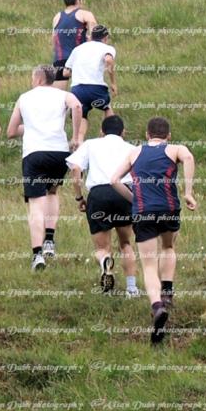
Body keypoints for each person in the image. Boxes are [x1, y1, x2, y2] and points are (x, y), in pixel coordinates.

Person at [108, 115, 198, 345]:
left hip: (143, 212)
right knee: (168, 247)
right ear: (168, 135)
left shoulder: (135, 152)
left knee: (148, 264)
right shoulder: (175, 149)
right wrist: (188, 192)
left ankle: (157, 305)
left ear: (147, 135)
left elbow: (113, 180)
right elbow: (188, 157)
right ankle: (167, 291)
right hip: (169, 209)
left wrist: (135, 199)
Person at [7, 66, 84, 271]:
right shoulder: (63, 94)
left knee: (35, 205)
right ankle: (50, 240)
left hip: (34, 154)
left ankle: (37, 254)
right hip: (59, 152)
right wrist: (75, 137)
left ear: (39, 79)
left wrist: (32, 127)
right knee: (52, 192)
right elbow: (77, 107)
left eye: (33, 78)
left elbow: (11, 131)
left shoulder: (24, 98)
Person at [66, 113, 140, 297]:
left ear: (101, 131)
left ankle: (105, 263)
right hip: (124, 193)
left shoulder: (91, 144)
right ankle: (131, 288)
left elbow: (75, 167)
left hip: (98, 195)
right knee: (125, 243)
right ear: (123, 132)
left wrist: (79, 197)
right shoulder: (132, 148)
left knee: (101, 248)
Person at [61, 24, 117, 125]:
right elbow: (108, 59)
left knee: (82, 114)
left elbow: (66, 73)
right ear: (105, 38)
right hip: (96, 88)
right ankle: (109, 133)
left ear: (91, 36)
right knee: (107, 108)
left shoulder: (77, 49)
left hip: (77, 89)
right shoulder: (107, 48)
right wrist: (113, 83)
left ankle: (78, 139)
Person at [50, 0, 97, 80]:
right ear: (78, 0)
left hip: (60, 58)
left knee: (58, 92)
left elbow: (54, 39)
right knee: (81, 88)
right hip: (79, 58)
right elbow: (95, 32)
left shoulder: (57, 17)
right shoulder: (85, 14)